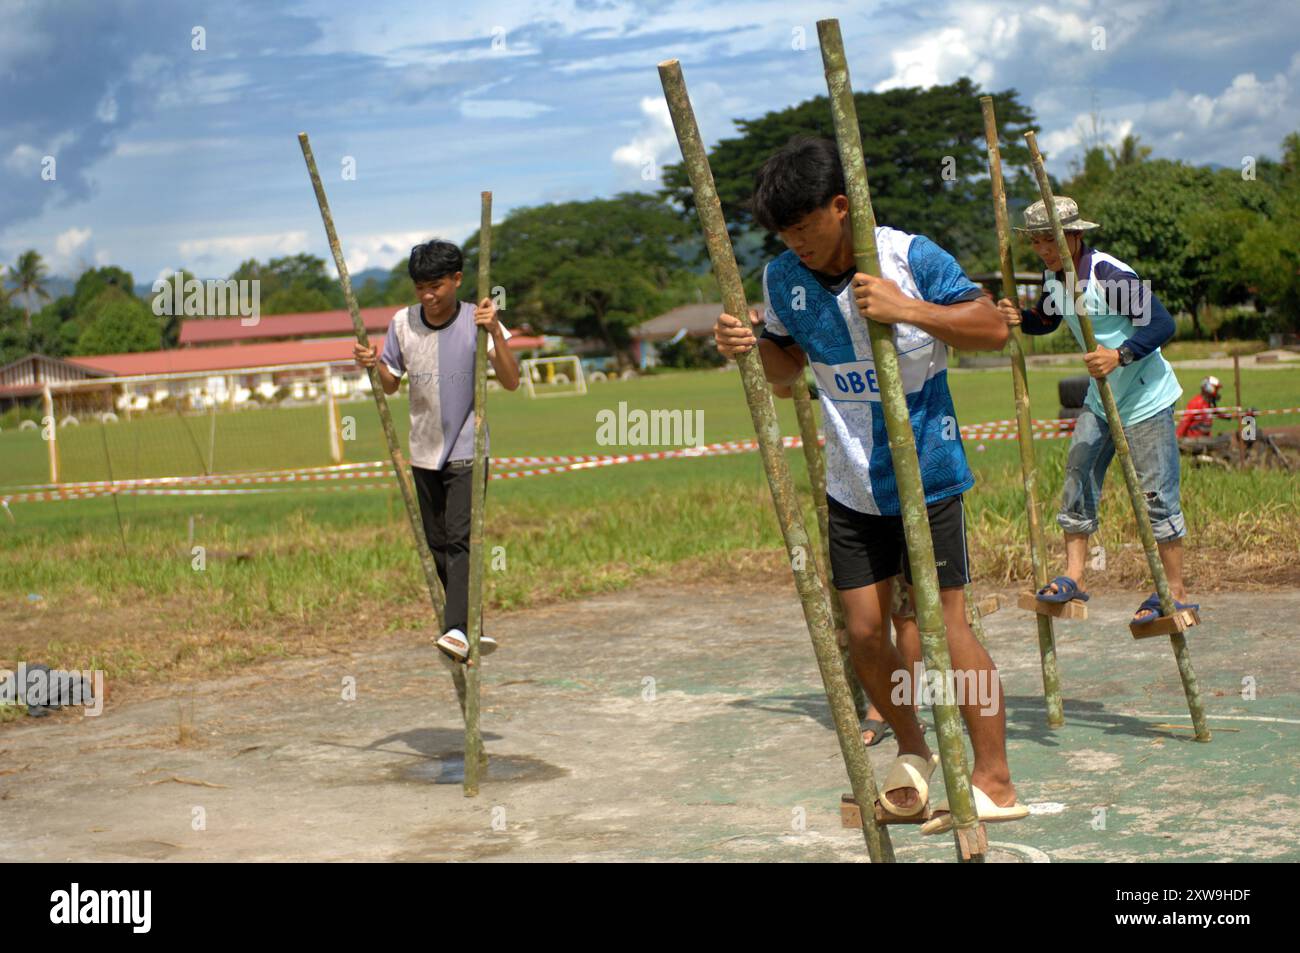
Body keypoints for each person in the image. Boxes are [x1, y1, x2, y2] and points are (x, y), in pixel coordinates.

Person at [715, 136, 1024, 834]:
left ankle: (995, 779)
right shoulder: (780, 281)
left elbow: (989, 327)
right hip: (850, 483)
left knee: (945, 628)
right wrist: (751, 347)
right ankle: (913, 750)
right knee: (861, 631)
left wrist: (906, 309)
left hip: (929, 475)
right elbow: (784, 371)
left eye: (805, 227)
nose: (795, 243)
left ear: (841, 205)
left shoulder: (909, 258)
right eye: (783, 233)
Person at [996, 197, 1198, 625]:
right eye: (1037, 242)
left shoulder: (1108, 274)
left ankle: (1175, 590)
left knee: (1155, 497)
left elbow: (1163, 325)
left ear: (1075, 235)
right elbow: (1048, 320)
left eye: (1051, 240)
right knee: (1078, 474)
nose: (1045, 250)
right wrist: (1020, 318)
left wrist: (1119, 355)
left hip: (1145, 399)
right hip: (1100, 401)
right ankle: (1073, 576)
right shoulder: (1054, 277)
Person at [354, 239, 521, 660]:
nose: (428, 295)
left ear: (457, 280)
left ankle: (457, 629)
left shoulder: (478, 318)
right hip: (423, 447)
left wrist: (494, 332)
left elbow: (511, 379)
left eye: (437, 286)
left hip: (468, 446)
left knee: (462, 538)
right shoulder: (402, 323)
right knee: (437, 543)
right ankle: (470, 627)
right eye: (420, 287)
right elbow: (392, 382)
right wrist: (374, 365)